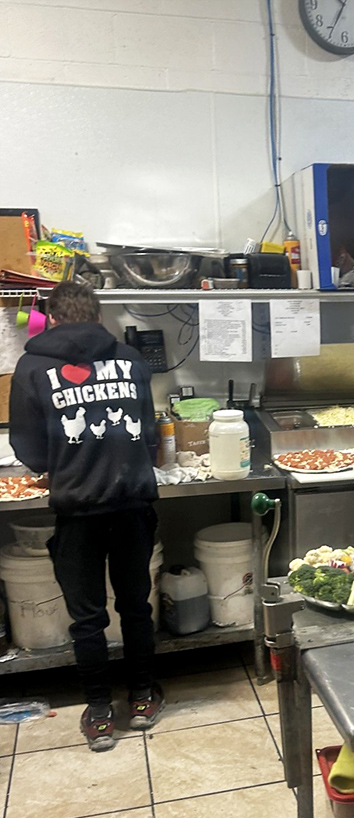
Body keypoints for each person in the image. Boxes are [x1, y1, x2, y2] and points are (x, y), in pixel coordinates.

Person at [9, 282, 163, 751]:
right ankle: (141, 698)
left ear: (51, 318)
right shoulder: (131, 360)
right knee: (136, 604)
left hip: (77, 510)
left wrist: (60, 463)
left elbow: (30, 450)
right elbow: (149, 431)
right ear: (98, 317)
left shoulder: (32, 367)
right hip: (133, 503)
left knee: (87, 618)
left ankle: (98, 712)